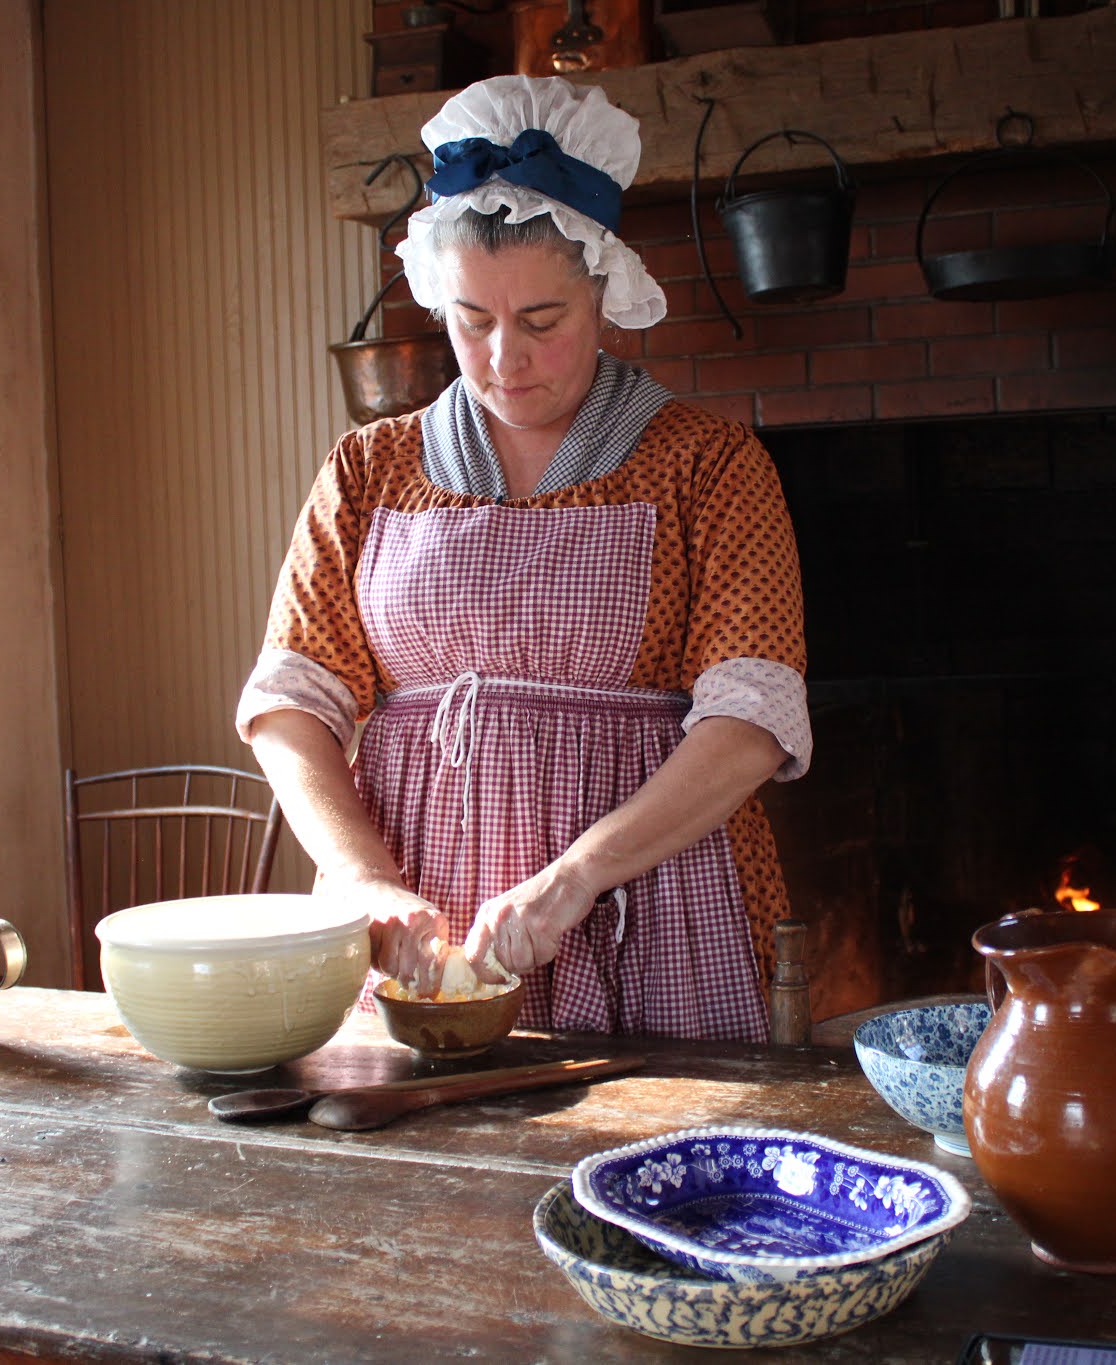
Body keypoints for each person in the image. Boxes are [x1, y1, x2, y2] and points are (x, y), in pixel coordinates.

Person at [236, 75, 810, 1041]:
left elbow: (750, 723)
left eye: (542, 322)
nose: (505, 358)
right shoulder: (369, 468)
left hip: (654, 908)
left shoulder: (710, 464)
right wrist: (362, 878)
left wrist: (578, 875)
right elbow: (291, 706)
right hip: (422, 922)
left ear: (605, 294)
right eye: (472, 321)